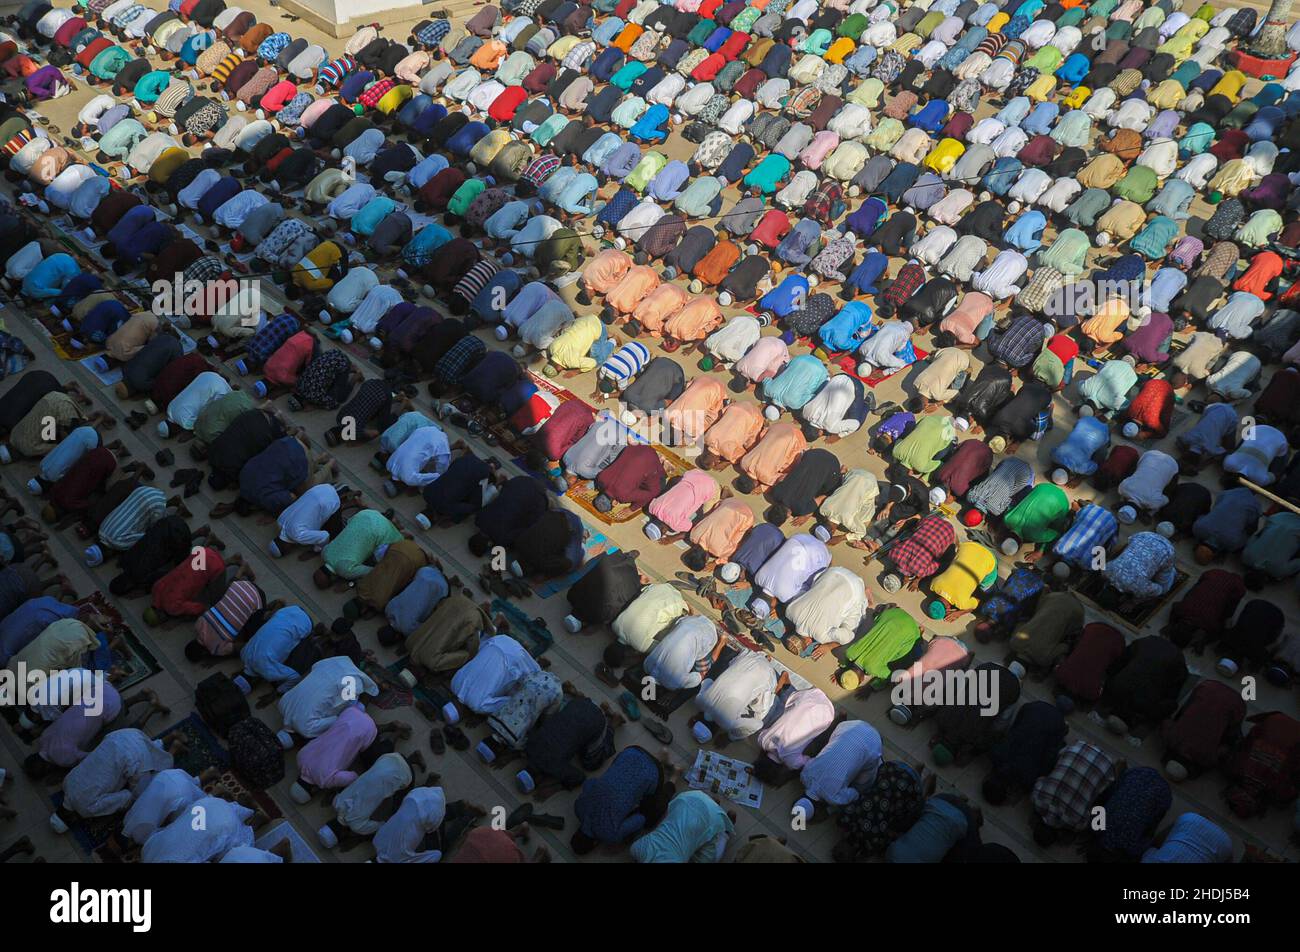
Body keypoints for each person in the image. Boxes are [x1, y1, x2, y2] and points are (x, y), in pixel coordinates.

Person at [629, 789, 734, 863]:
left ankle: (723, 829)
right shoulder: (636, 849)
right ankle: (711, 806)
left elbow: (706, 857)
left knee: (710, 853)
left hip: (710, 814)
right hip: (689, 797)